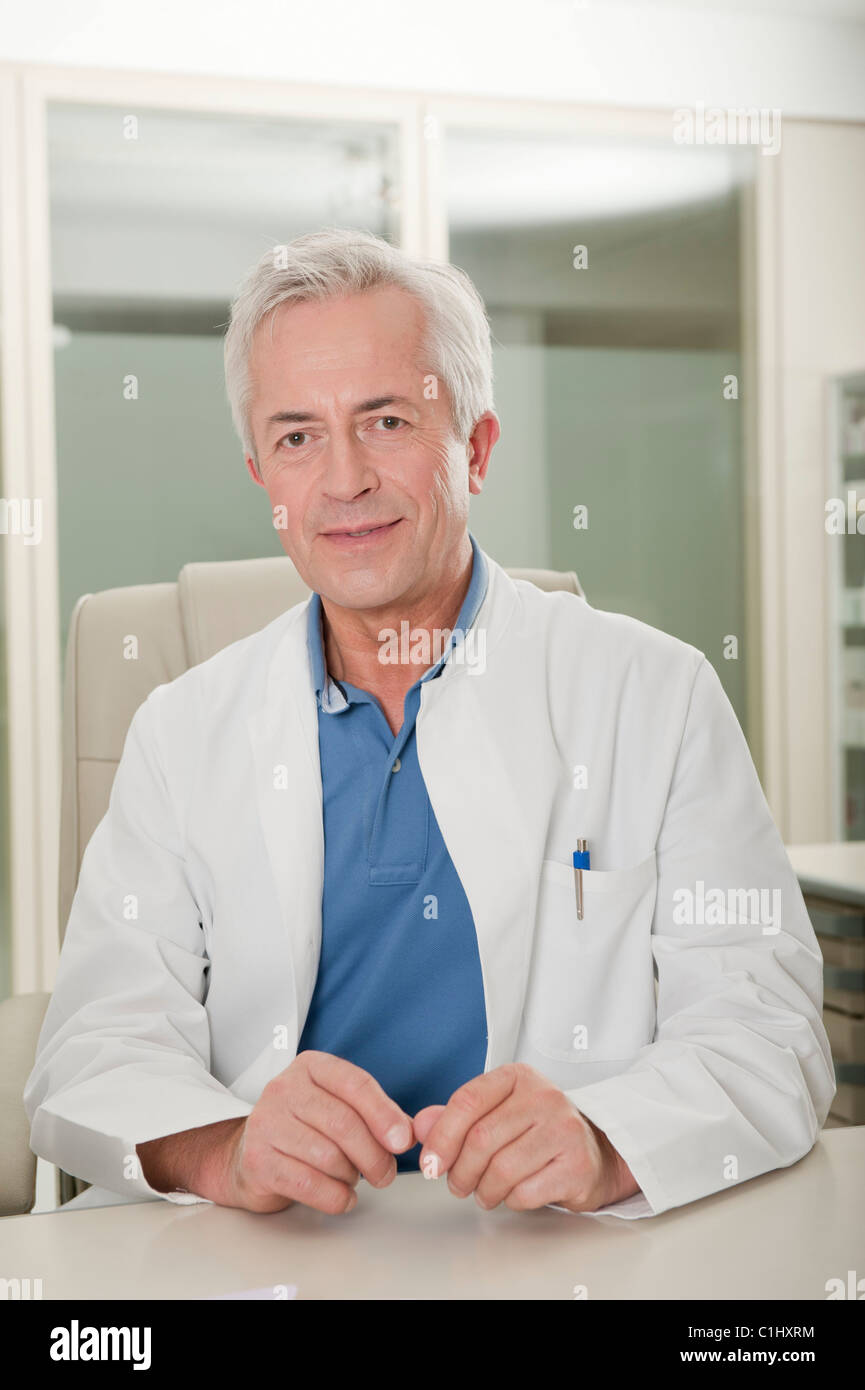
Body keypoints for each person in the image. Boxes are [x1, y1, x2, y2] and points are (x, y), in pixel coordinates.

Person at [24, 228, 835, 1221]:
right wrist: (228, 1151)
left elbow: (766, 1028)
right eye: (296, 436)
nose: (343, 480)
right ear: (263, 480)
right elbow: (94, 1044)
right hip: (262, 1255)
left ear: (476, 447)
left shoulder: (652, 694)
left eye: (388, 421)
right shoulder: (181, 732)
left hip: (549, 1253)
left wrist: (608, 1137)